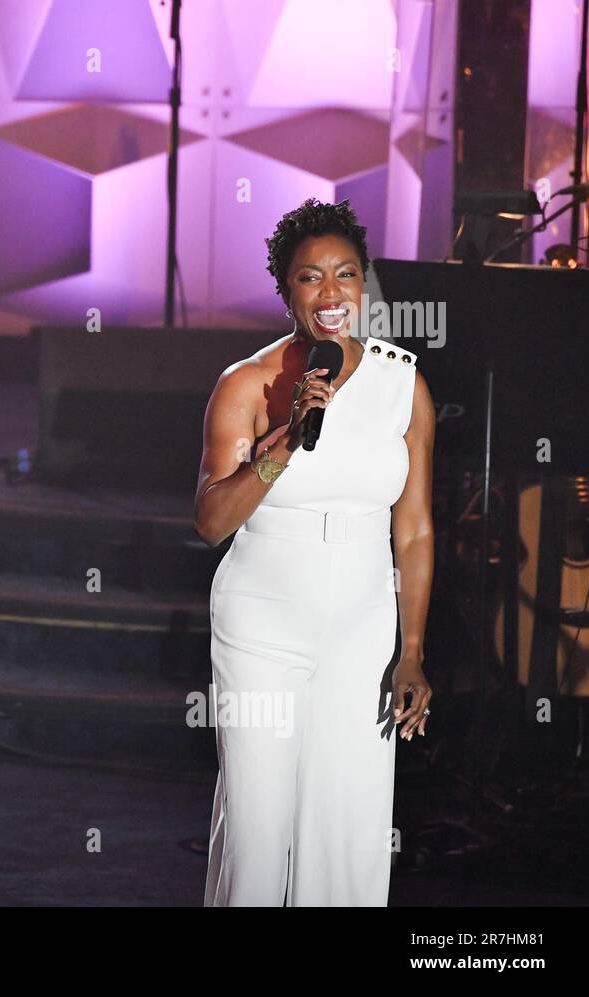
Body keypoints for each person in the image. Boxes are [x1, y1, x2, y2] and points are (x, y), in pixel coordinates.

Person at [194, 198, 434, 906]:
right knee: (259, 836)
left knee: (348, 833)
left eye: (346, 274)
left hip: (363, 623)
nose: (332, 295)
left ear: (364, 283)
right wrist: (285, 443)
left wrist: (411, 649)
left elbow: (414, 529)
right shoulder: (248, 384)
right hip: (263, 620)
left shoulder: (403, 385)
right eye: (310, 278)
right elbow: (210, 521)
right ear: (285, 289)